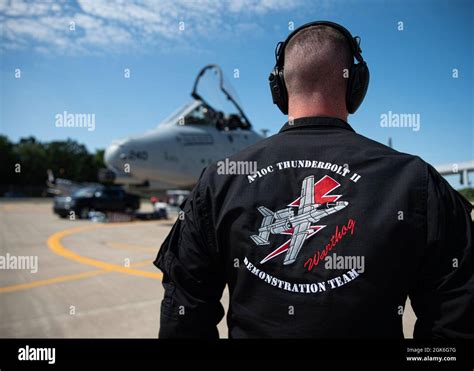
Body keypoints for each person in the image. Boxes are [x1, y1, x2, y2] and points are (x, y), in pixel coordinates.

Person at [154, 21, 473, 338]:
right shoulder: (415, 181)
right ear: (356, 85)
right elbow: (457, 322)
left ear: (278, 89)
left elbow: (183, 320)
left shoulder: (217, 182)